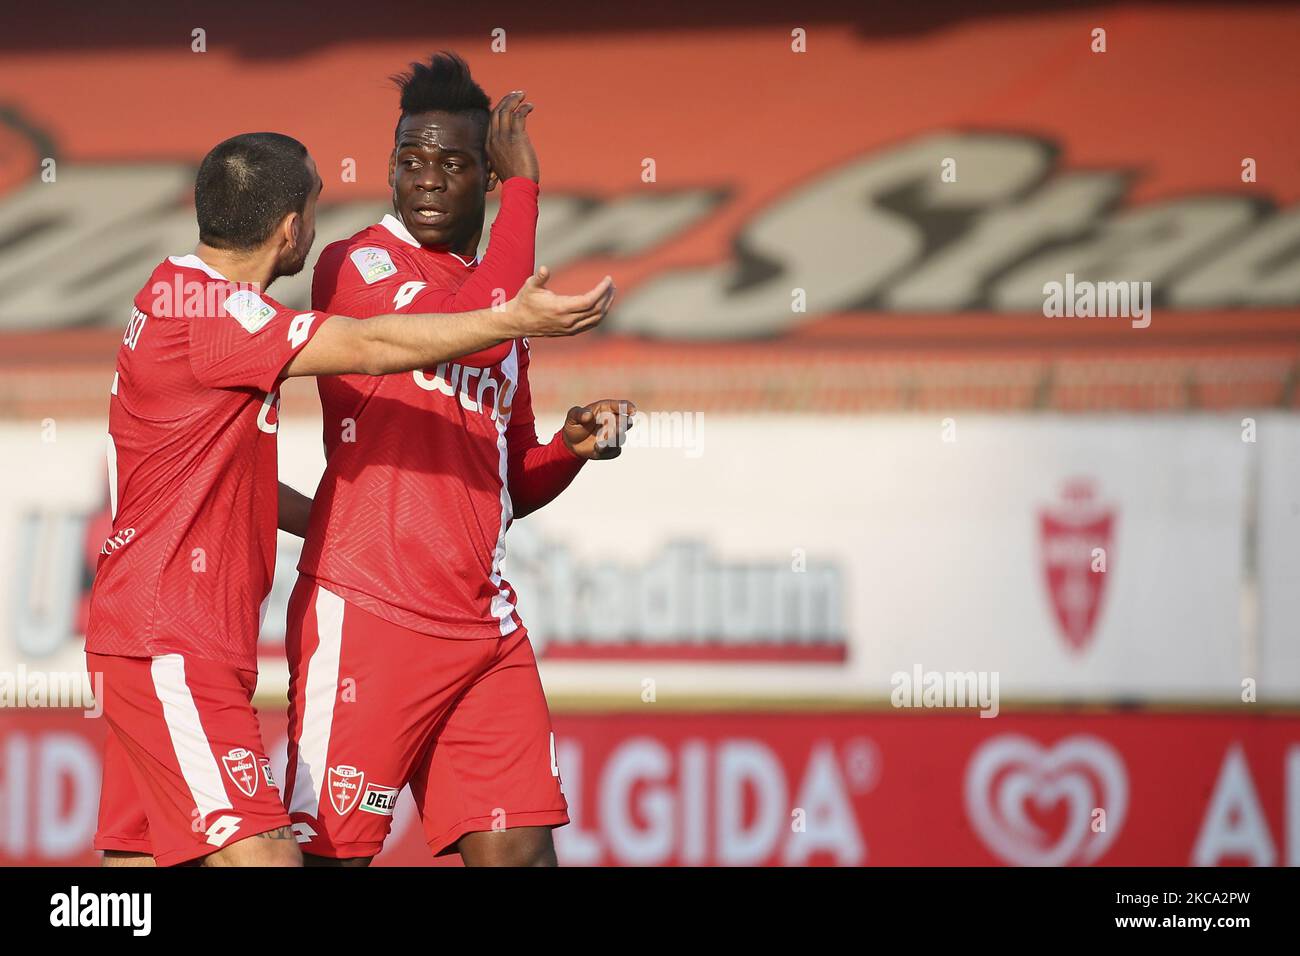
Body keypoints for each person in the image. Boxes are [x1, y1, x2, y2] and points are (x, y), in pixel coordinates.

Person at [86, 131, 614, 867]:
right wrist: (510, 320)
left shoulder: (172, 293)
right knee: (269, 861)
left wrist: (339, 524)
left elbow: (226, 484)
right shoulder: (221, 319)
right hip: (170, 642)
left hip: (166, 638)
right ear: (291, 229)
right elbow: (368, 345)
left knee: (136, 866)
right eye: (315, 206)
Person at [283, 52, 635, 866]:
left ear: (480, 178)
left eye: (453, 163)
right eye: (411, 160)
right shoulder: (354, 263)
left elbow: (509, 485)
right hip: (370, 614)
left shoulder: (504, 312)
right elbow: (477, 315)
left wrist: (573, 449)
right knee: (329, 858)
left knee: (523, 856)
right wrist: (527, 191)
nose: (427, 179)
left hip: (482, 628)